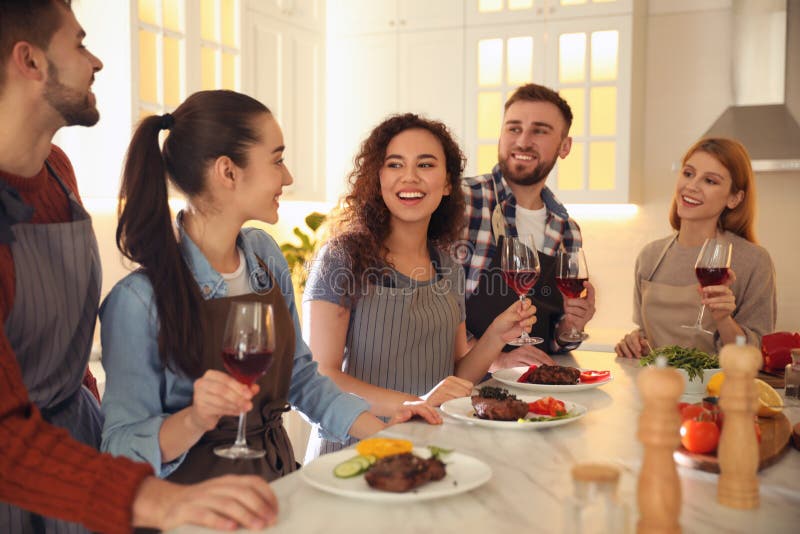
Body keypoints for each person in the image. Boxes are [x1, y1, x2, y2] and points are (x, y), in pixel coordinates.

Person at [0, 1, 280, 532]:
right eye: (80, 43)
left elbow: (62, 342)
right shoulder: (139, 302)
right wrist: (159, 499)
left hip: (80, 452)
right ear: (29, 61)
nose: (97, 60)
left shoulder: (57, 171)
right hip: (21, 474)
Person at [99, 92, 440, 484]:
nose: (288, 176)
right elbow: (118, 449)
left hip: (277, 485)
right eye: (277, 160)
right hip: (197, 509)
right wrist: (194, 418)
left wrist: (386, 432)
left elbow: (302, 377)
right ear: (228, 172)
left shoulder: (263, 256)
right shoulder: (137, 301)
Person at [302, 113, 536, 460]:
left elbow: (454, 376)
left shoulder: (448, 268)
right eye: (394, 164)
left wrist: (494, 338)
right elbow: (320, 379)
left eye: (425, 165)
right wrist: (416, 402)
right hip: (353, 450)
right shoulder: (342, 260)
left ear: (446, 184)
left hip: (429, 448)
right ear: (377, 178)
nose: (409, 177)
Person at [460, 83, 596, 367]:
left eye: (540, 130)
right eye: (513, 128)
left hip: (534, 388)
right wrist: (496, 359)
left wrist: (572, 322)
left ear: (565, 146)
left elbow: (556, 337)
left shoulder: (566, 230)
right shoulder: (464, 201)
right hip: (461, 387)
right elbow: (431, 313)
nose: (523, 141)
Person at [615, 138, 776, 358]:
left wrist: (723, 319)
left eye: (710, 181)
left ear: (734, 198)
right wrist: (634, 343)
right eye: (688, 173)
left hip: (716, 391)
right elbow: (647, 337)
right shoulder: (650, 256)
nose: (691, 186)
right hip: (654, 387)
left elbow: (754, 356)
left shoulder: (753, 261)